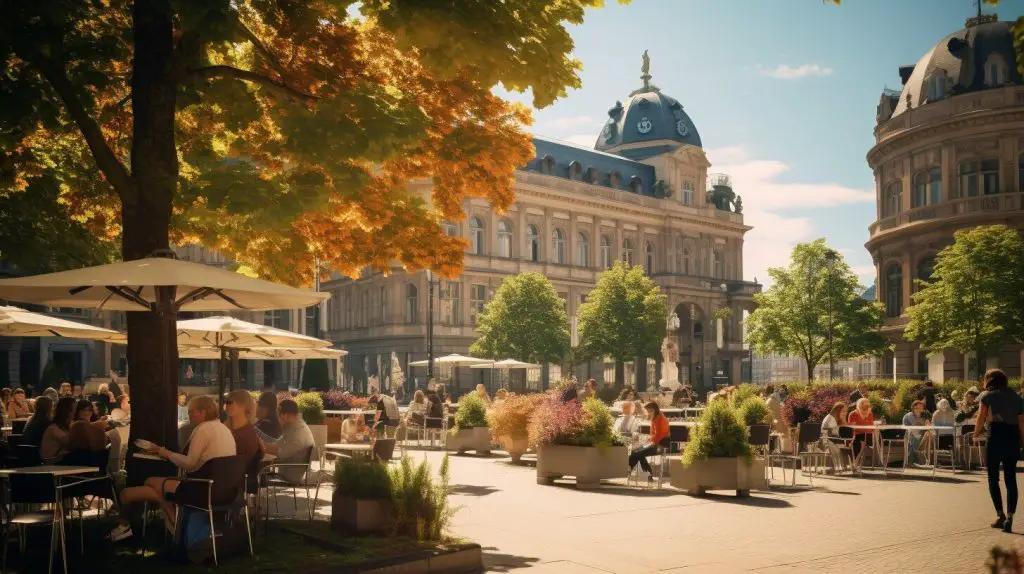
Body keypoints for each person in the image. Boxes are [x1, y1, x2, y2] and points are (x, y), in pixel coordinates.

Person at [109, 395, 236, 542]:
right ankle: (169, 517)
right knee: (145, 488)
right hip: (221, 488)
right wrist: (163, 452)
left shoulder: (204, 429)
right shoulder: (224, 429)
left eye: (191, 411)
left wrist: (163, 452)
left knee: (148, 482)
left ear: (203, 412)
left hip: (200, 487)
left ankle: (171, 519)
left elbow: (190, 463)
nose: (189, 415)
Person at [975, 369, 1024, 533]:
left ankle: (1000, 515)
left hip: (995, 437)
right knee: (1011, 478)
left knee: (993, 478)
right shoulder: (1017, 398)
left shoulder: (987, 396)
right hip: (1012, 439)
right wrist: (1022, 441)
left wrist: (975, 433)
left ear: (989, 380)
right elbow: (1022, 422)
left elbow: (981, 417)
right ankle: (1010, 517)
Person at [264, 399, 316, 484]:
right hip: (290, 470)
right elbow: (278, 444)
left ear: (286, 415)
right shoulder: (295, 427)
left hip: (290, 475)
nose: (278, 418)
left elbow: (281, 453)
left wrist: (261, 446)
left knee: (257, 475)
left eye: (279, 415)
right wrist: (262, 444)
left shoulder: (299, 432)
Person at [224, 390, 263, 480]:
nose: (226, 405)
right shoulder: (234, 428)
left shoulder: (244, 433)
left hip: (234, 480)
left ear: (242, 405)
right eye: (226, 402)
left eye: (230, 402)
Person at [628, 402, 668, 480]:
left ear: (653, 410)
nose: (647, 413)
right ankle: (647, 474)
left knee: (638, 453)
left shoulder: (660, 419)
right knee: (635, 452)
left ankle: (629, 470)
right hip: (655, 443)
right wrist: (648, 442)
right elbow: (653, 434)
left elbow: (660, 434)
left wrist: (651, 443)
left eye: (648, 411)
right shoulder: (655, 417)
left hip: (660, 445)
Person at [40, 397, 77, 463]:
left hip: (60, 460)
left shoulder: (66, 426)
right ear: (66, 411)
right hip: (50, 462)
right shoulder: (54, 428)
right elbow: (71, 443)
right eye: (74, 410)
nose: (75, 412)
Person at [820, 401, 848, 471]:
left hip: (832, 439)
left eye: (845, 411)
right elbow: (834, 433)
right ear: (837, 411)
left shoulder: (834, 418)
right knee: (846, 444)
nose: (845, 413)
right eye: (843, 411)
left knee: (850, 443)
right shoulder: (830, 419)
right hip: (826, 441)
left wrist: (843, 421)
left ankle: (842, 466)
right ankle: (839, 466)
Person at [847, 398, 875, 468]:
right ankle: (855, 462)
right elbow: (851, 427)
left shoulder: (870, 414)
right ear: (859, 405)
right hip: (856, 435)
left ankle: (855, 462)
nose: (865, 407)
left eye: (866, 405)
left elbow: (872, 427)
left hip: (868, 435)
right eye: (862, 405)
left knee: (862, 440)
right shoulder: (853, 414)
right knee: (859, 442)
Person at [902, 400, 931, 466]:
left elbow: (927, 425)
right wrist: (925, 423)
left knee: (928, 434)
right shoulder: (910, 415)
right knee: (916, 437)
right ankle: (915, 458)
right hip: (908, 434)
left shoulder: (922, 415)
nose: (922, 408)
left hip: (917, 434)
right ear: (914, 408)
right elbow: (916, 424)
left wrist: (926, 423)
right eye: (920, 406)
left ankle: (914, 459)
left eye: (922, 406)